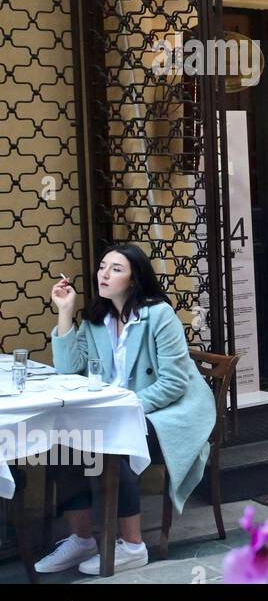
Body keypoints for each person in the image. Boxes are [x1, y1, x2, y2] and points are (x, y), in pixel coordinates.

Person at [37, 244, 216, 575]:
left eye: (116, 269)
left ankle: (133, 546)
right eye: (102, 267)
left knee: (114, 444)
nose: (104, 274)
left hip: (167, 413)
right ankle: (83, 538)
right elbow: (67, 368)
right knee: (61, 444)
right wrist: (65, 312)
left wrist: (125, 407)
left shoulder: (159, 315)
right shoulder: (96, 320)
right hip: (118, 412)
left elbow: (174, 383)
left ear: (135, 280)